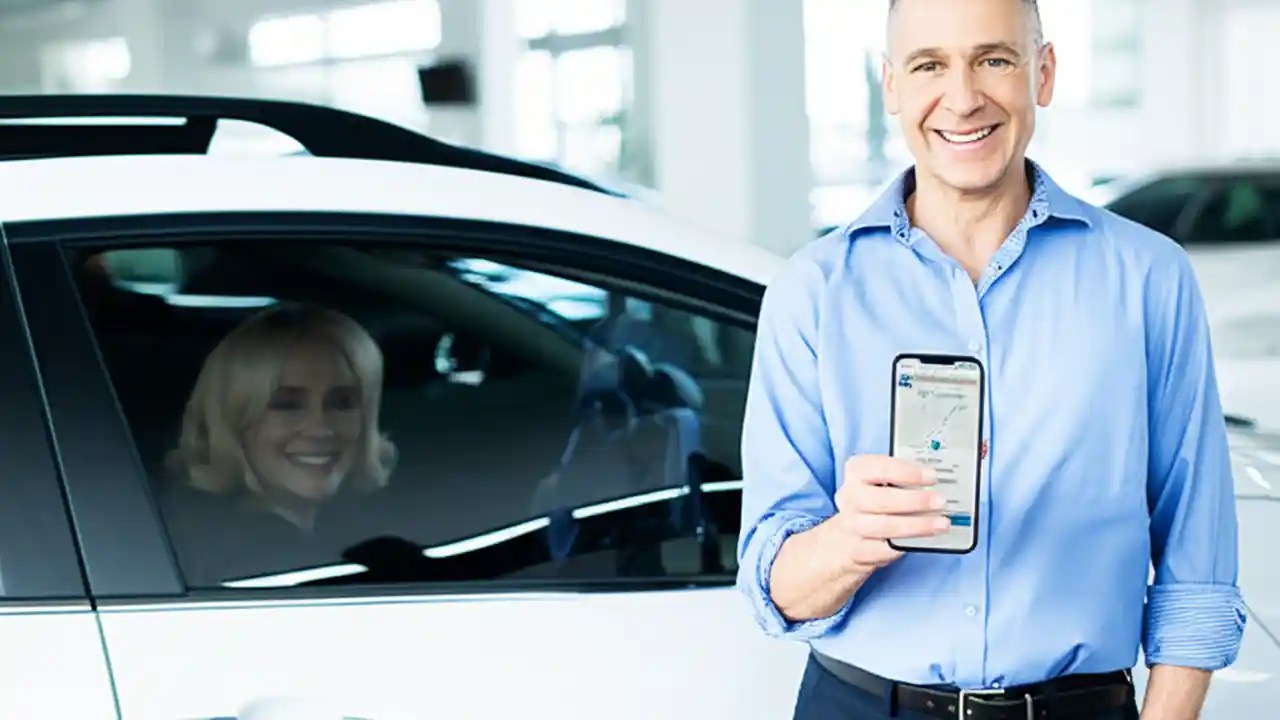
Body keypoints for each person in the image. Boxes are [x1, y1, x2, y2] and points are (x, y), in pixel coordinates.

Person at [737, 1, 1245, 718]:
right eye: (929, 65)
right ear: (892, 86)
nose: (964, 96)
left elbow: (1198, 565)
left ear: (1043, 72)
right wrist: (852, 538)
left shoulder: (1148, 278)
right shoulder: (813, 291)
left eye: (994, 59)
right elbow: (773, 591)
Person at [163, 302, 398, 584]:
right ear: (234, 418)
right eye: (286, 405)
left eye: (342, 402)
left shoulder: (363, 538)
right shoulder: (249, 565)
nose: (320, 429)